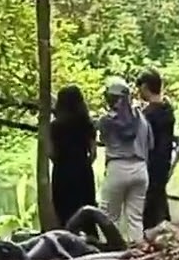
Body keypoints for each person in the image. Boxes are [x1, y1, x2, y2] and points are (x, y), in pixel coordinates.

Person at [97, 76, 152, 242]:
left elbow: (104, 139)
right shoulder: (142, 119)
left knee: (108, 217)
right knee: (135, 219)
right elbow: (150, 144)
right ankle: (139, 252)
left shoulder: (106, 121)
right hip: (141, 168)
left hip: (118, 168)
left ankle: (109, 253)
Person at [49, 84, 98, 227]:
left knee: (64, 212)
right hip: (83, 171)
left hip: (62, 171)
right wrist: (84, 163)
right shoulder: (87, 124)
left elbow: (51, 153)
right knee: (86, 211)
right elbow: (93, 153)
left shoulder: (55, 127)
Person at [136, 67, 176, 230]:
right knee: (159, 198)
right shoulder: (168, 109)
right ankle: (165, 228)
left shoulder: (149, 114)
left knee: (151, 203)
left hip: (150, 162)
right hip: (164, 159)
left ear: (145, 87)